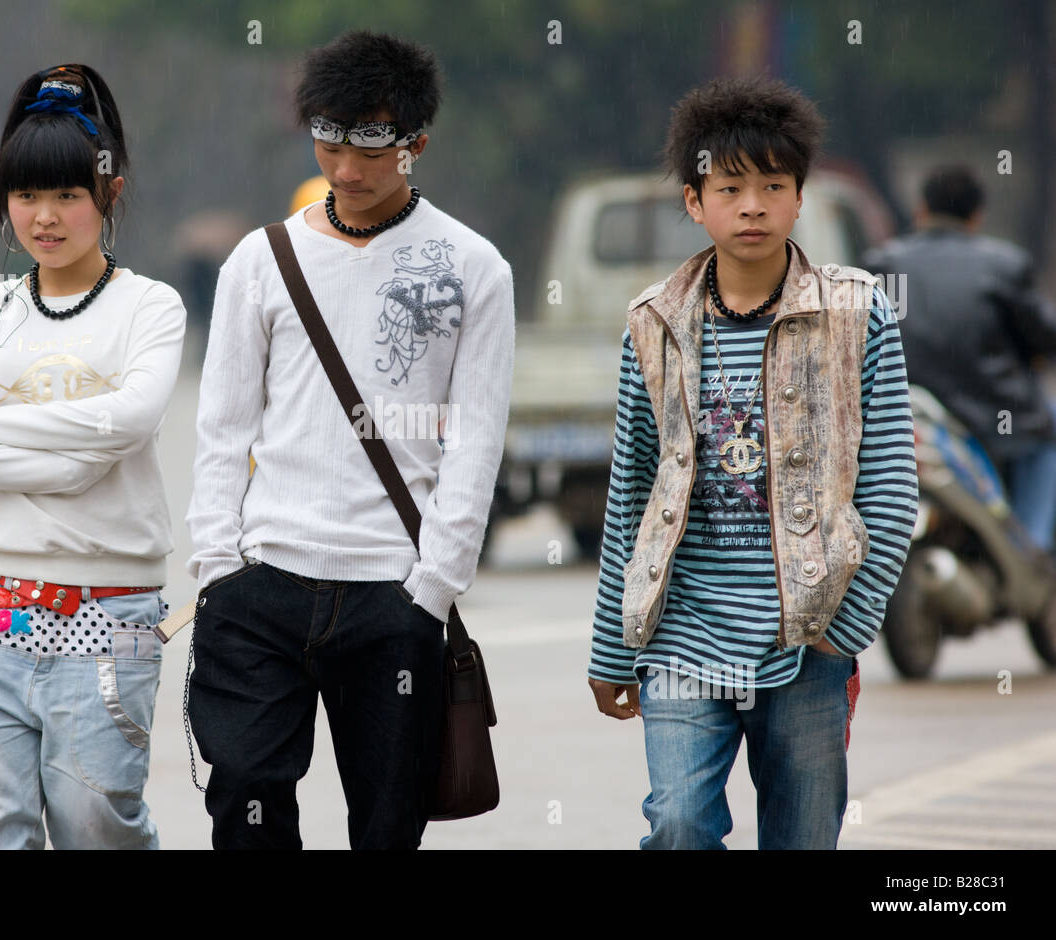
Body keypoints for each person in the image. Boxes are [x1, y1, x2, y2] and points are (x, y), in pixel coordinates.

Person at [185, 30, 515, 850]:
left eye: (370, 145)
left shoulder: (474, 268)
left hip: (390, 593)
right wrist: (219, 568)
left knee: (386, 826)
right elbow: (223, 427)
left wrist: (433, 585)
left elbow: (476, 440)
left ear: (416, 144)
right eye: (328, 140)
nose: (345, 168)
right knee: (247, 804)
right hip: (262, 584)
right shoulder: (260, 262)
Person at [587, 76, 918, 849]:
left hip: (807, 637)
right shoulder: (653, 324)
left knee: (802, 838)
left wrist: (845, 627)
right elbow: (631, 491)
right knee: (676, 825)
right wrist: (611, 646)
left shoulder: (858, 311)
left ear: (800, 197)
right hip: (682, 635)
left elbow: (894, 490)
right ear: (694, 202)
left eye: (774, 185)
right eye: (729, 187)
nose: (753, 206)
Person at [0, 63, 186, 849]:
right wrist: (68, 461)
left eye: (69, 194)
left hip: (109, 613)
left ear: (111, 193)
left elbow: (131, 420)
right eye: (27, 195)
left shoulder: (150, 307)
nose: (46, 216)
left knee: (97, 825)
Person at [864, 165, 1056, 553]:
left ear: (920, 210)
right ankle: (1033, 547)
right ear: (976, 215)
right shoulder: (1004, 263)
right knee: (1048, 435)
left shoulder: (883, 262)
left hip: (907, 413)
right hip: (997, 416)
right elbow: (1043, 336)